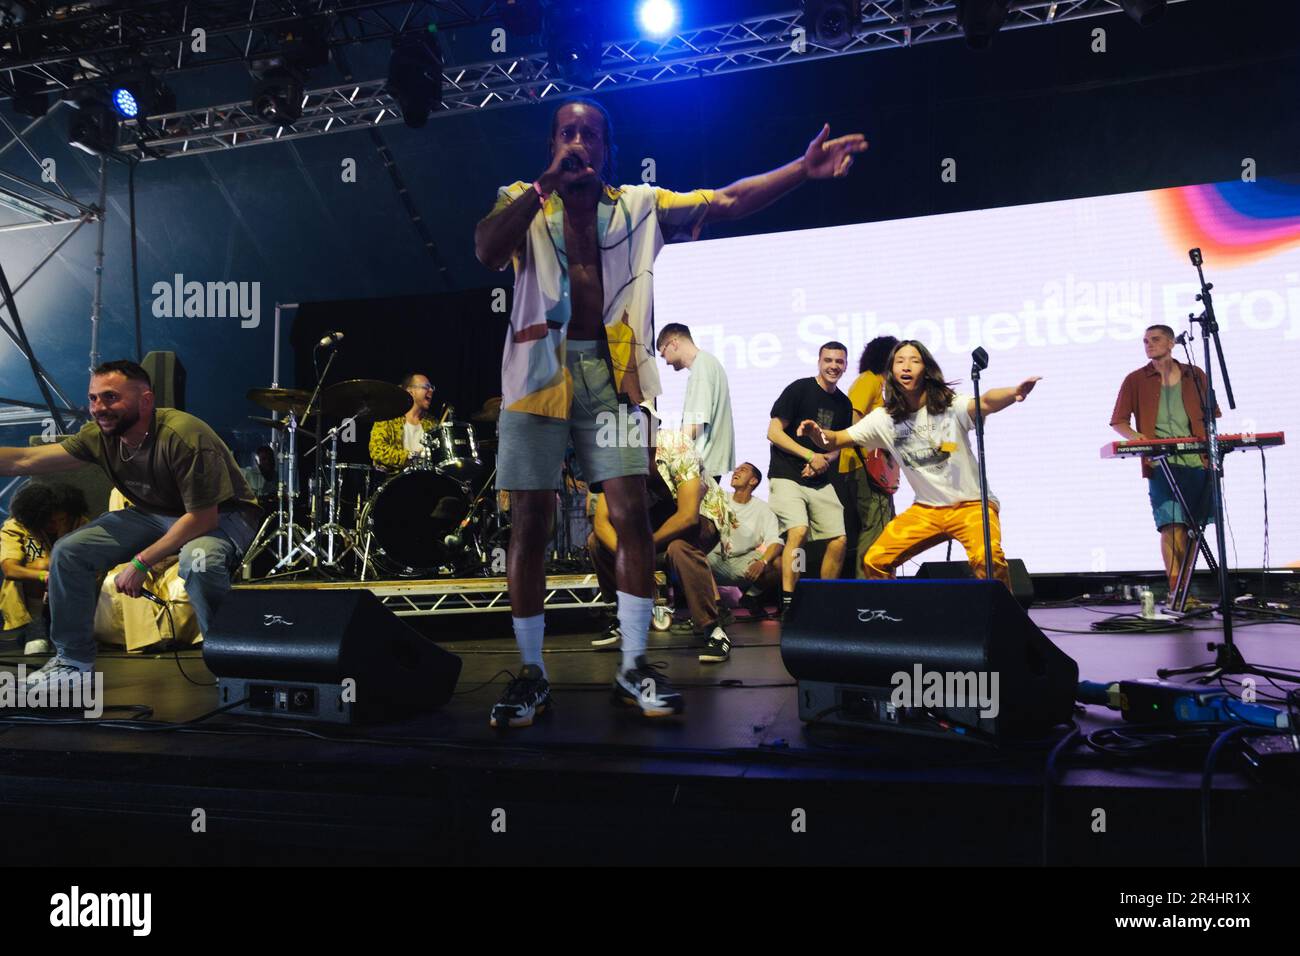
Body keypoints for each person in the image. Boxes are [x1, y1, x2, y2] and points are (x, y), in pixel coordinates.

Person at [473, 96, 867, 727]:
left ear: (608, 149)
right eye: (566, 133)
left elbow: (727, 201)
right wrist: (544, 184)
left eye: (591, 135)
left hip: (616, 378)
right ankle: (530, 674)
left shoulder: (637, 206)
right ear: (550, 144)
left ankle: (633, 667)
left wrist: (801, 169)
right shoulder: (520, 196)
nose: (578, 142)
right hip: (535, 378)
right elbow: (489, 251)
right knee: (530, 523)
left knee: (630, 513)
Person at [0, 360, 262, 691]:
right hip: (155, 514)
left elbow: (202, 517)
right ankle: (73, 663)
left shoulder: (183, 434)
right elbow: (25, 459)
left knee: (199, 561)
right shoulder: (99, 436)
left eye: (110, 397)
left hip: (222, 516)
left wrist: (141, 561)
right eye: (93, 398)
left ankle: (229, 660)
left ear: (146, 400)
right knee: (69, 551)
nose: (99, 408)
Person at [799, 340, 1040, 587]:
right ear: (891, 371)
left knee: (986, 558)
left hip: (972, 505)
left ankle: (1002, 618)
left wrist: (1014, 393)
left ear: (926, 368)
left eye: (914, 360)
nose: (906, 366)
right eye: (899, 361)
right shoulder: (885, 419)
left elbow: (985, 401)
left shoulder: (949, 405)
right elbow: (839, 438)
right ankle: (893, 619)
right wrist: (818, 434)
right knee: (875, 560)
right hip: (927, 510)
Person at [588, 429, 738, 664]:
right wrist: (631, 562)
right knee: (596, 543)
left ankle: (713, 629)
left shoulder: (675, 444)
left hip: (700, 515)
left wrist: (644, 551)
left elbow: (688, 517)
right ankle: (625, 613)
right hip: (654, 522)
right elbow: (601, 523)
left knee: (680, 548)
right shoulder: (618, 458)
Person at [1110, 324, 1218, 597]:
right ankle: (1176, 592)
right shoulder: (1135, 379)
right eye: (1145, 341)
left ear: (1171, 343)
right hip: (1160, 463)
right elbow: (1119, 421)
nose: (1149, 345)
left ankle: (1186, 592)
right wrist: (1139, 439)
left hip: (1197, 461)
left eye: (1155, 340)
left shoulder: (1195, 375)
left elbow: (1212, 413)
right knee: (1171, 526)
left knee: (1196, 528)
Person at [767, 342, 853, 614]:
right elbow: (773, 432)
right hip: (786, 474)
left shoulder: (843, 403)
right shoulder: (799, 389)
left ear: (845, 365)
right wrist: (808, 455)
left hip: (818, 478)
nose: (833, 366)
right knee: (799, 531)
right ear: (819, 361)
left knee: (839, 539)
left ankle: (826, 602)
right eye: (828, 360)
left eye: (839, 361)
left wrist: (822, 461)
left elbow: (837, 447)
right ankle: (790, 602)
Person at [1, 482, 88, 655]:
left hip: (73, 592)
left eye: (61, 519)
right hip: (35, 594)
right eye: (49, 521)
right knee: (42, 564)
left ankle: (64, 629)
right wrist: (45, 576)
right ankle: (35, 627)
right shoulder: (17, 526)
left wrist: (64, 536)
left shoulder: (78, 522)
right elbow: (10, 569)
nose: (55, 525)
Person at [839, 335, 898, 577]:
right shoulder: (868, 380)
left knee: (884, 525)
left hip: (877, 468)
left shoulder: (883, 385)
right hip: (862, 465)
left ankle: (879, 581)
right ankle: (867, 587)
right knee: (874, 525)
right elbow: (852, 419)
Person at [656, 323, 735, 482]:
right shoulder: (708, 363)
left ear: (674, 343)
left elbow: (695, 424)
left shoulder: (702, 368)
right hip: (705, 463)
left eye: (663, 354)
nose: (666, 362)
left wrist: (672, 453)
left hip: (700, 465)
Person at [708, 463, 782, 619]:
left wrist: (762, 562)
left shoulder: (763, 508)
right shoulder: (720, 497)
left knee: (781, 564)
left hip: (741, 562)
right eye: (736, 469)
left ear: (753, 481)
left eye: (743, 470)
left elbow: (775, 541)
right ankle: (717, 608)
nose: (736, 471)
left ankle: (750, 597)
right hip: (712, 558)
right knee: (692, 554)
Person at [369, 373, 437, 472]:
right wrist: (411, 457)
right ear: (410, 391)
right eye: (426, 387)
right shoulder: (388, 418)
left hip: (426, 479)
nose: (431, 390)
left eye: (431, 387)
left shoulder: (433, 423)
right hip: (394, 481)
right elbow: (377, 450)